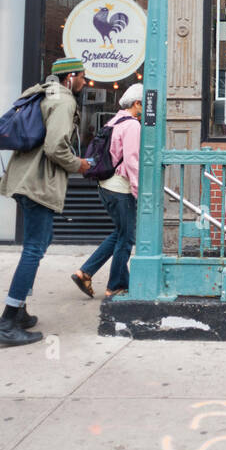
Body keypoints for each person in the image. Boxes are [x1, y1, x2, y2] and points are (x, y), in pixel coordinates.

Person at [0, 57, 92, 347]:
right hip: (38, 183)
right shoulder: (63, 101)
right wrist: (79, 164)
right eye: (82, 77)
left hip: (22, 179)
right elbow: (55, 147)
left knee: (39, 242)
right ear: (69, 77)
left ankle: (20, 310)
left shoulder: (39, 92)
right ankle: (8, 321)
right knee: (34, 249)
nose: (84, 83)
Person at [72, 83, 143, 299]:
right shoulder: (132, 126)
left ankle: (85, 272)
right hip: (120, 188)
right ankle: (117, 286)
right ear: (137, 103)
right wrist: (139, 190)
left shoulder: (114, 121)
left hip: (105, 186)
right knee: (127, 237)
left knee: (121, 233)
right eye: (145, 104)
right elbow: (131, 161)